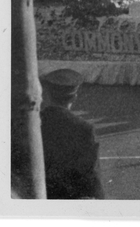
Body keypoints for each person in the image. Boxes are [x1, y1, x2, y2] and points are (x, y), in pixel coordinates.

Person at [40, 69, 104, 199]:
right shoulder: (84, 128)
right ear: (74, 97)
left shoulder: (35, 123)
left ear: (47, 93)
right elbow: (90, 172)